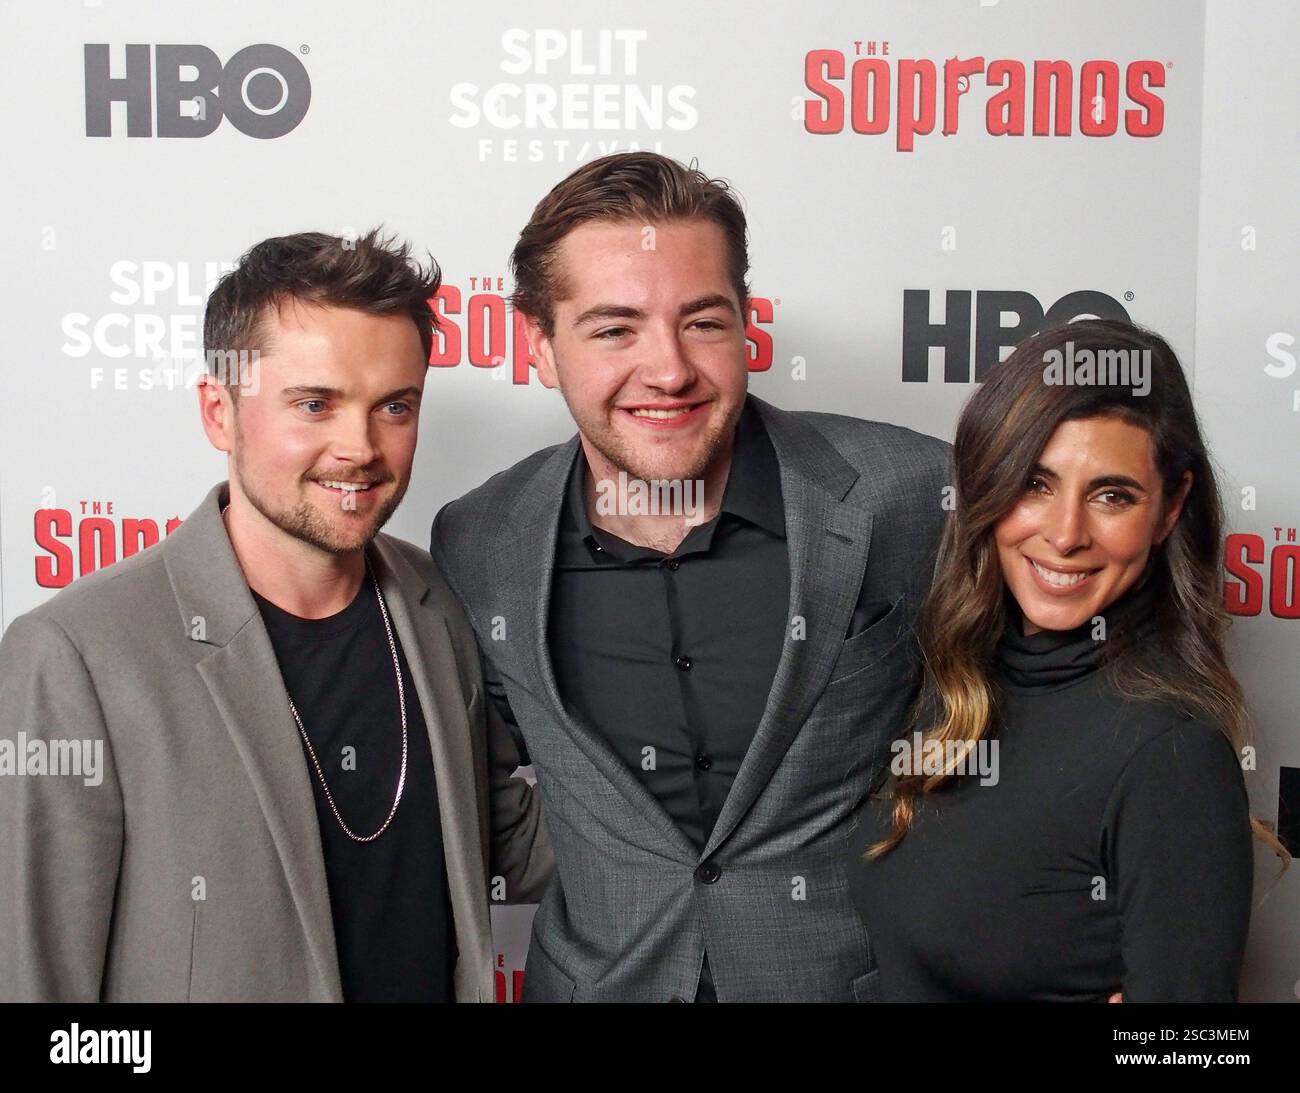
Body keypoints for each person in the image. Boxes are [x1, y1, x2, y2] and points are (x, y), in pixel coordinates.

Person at [430, 152, 950, 1001]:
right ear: (541, 346)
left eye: (703, 322)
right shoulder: (480, 540)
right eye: (614, 329)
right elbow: (475, 785)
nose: (668, 370)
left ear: (746, 323)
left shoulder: (911, 494)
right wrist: (611, 863)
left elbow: (1047, 717)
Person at [0, 229, 552, 1002]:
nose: (358, 447)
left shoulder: (437, 605)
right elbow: (40, 984)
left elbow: (505, 837)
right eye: (314, 404)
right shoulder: (76, 654)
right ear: (220, 412)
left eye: (394, 405)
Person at [846, 318, 1287, 1002]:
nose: (1065, 533)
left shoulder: (1170, 757)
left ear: (1169, 509)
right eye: (1035, 483)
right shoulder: (955, 677)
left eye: (1113, 495)